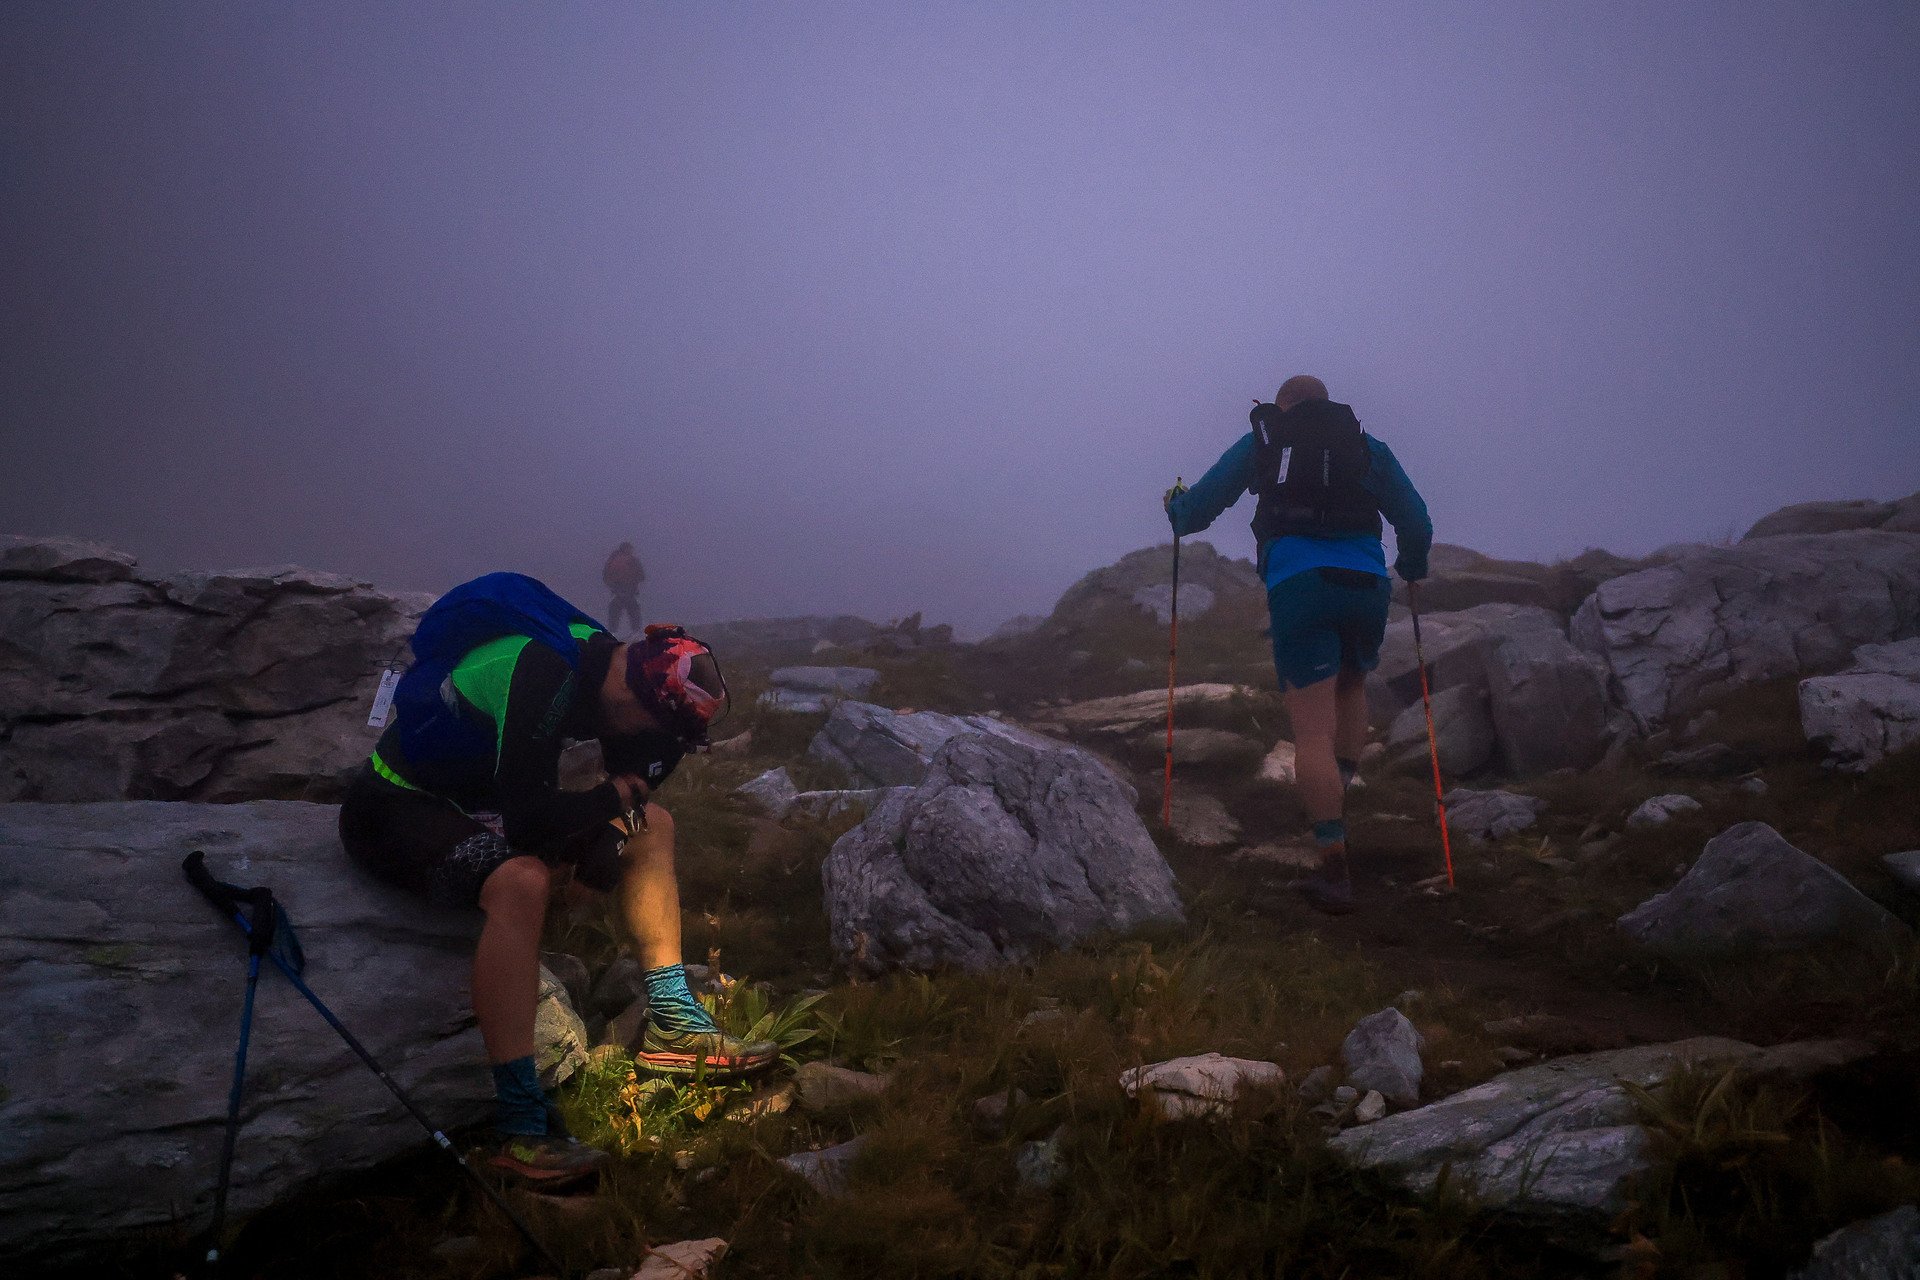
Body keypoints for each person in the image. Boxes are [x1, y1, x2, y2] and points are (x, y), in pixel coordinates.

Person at [338, 575, 776, 1185]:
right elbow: (532, 820)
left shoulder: (624, 676)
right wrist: (610, 806)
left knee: (654, 827)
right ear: (633, 700)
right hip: (396, 804)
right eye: (653, 728)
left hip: (481, 801)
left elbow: (635, 793)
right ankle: (521, 1126)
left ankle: (674, 1023)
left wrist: (606, 848)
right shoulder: (541, 670)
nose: (655, 742)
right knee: (521, 882)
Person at [1165, 375, 1431, 915]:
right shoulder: (1366, 446)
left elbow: (1194, 513)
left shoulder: (1264, 441)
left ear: (1281, 405)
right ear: (1327, 404)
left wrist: (1175, 504)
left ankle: (1334, 867)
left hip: (1300, 585)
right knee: (1351, 687)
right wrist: (1411, 566)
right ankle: (1337, 794)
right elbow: (1416, 521)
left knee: (1311, 732)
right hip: (1366, 586)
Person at [603, 542, 646, 637]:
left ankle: (613, 632)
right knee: (633, 610)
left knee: (614, 610)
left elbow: (605, 576)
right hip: (630, 590)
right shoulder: (633, 560)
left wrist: (613, 586)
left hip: (617, 590)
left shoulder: (613, 559)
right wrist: (634, 583)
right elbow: (642, 576)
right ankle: (636, 632)